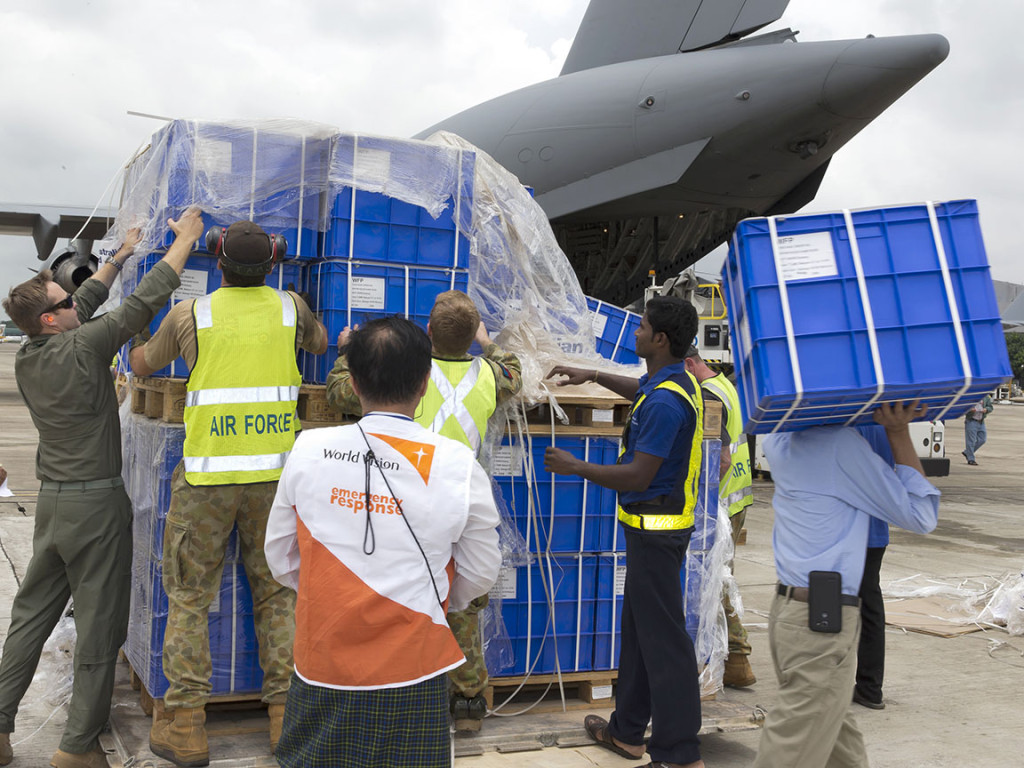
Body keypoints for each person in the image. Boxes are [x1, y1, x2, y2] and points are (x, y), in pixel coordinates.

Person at [0, 210, 204, 768]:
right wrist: (183, 243)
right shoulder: (83, 348)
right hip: (95, 504)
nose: (73, 301)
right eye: (61, 302)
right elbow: (140, 307)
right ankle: (78, 746)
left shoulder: (29, 355)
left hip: (55, 503)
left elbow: (86, 305)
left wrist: (119, 255)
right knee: (99, 625)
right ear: (49, 319)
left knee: (31, 616)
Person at [129, 221, 328, 766]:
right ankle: (285, 722)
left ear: (217, 263)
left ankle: (188, 727)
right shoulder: (292, 309)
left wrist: (139, 337)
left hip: (207, 481)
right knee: (277, 594)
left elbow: (141, 365)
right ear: (273, 263)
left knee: (191, 597)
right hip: (275, 481)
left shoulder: (192, 314)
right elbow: (321, 342)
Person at [265, 316, 502, 768]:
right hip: (415, 665)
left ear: (352, 383)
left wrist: (332, 594)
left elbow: (280, 555)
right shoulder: (457, 463)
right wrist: (438, 607)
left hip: (323, 659)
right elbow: (479, 571)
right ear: (426, 381)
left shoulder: (309, 449)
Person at [324, 289, 521, 730]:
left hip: (409, 498)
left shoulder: (411, 375)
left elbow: (341, 394)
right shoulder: (492, 375)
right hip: (464, 499)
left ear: (428, 332)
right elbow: (515, 370)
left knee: (404, 593)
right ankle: (469, 700)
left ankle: (404, 687)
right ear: (471, 336)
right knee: (464, 605)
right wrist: (488, 343)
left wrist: (345, 352)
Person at [544, 296, 705, 768]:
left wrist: (577, 466)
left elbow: (637, 475)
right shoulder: (670, 382)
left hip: (657, 535)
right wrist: (591, 374)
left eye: (641, 327)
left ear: (659, 339)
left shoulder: (665, 406)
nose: (634, 333)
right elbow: (639, 387)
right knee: (638, 635)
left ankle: (679, 752)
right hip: (649, 532)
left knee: (665, 645)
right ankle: (628, 732)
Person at [752, 403, 940, 768]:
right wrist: (898, 432)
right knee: (792, 744)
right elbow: (921, 515)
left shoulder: (778, 437)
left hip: (790, 612)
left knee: (836, 731)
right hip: (821, 621)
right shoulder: (839, 445)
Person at [683, 346, 755, 688]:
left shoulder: (708, 394)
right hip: (738, 497)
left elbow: (721, 458)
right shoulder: (726, 385)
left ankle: (739, 657)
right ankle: (734, 656)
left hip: (722, 501)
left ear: (689, 364)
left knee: (718, 580)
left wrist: (704, 498)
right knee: (721, 577)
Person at [852, 426, 894, 711]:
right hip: (875, 531)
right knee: (870, 609)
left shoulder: (844, 422)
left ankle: (824, 682)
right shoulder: (885, 424)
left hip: (843, 533)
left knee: (827, 607)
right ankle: (870, 687)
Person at [962, 393, 993, 465]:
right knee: (971, 441)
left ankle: (967, 452)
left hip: (981, 421)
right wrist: (970, 410)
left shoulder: (986, 397)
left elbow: (990, 407)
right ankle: (971, 459)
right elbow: (963, 408)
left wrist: (986, 409)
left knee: (982, 439)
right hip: (972, 421)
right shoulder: (970, 397)